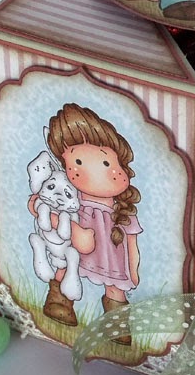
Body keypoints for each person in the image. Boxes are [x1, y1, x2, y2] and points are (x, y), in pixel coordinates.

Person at [41, 103, 142, 343]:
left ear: (121, 167)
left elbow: (131, 242)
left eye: (105, 164)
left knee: (115, 288)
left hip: (111, 259)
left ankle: (116, 326)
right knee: (65, 267)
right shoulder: (72, 200)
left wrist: (134, 269)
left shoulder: (123, 212)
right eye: (75, 164)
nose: (85, 173)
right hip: (76, 251)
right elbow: (46, 210)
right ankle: (59, 303)